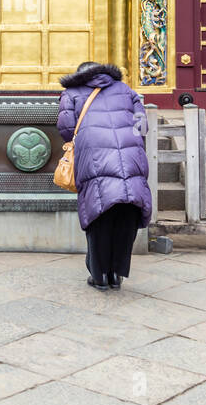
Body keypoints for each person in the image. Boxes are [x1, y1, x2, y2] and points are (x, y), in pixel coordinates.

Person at [57, 61, 152, 291]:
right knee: (126, 212)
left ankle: (99, 276)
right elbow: (142, 125)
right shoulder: (126, 90)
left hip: (94, 158)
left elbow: (67, 129)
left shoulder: (71, 93)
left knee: (98, 213)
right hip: (130, 159)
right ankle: (117, 275)